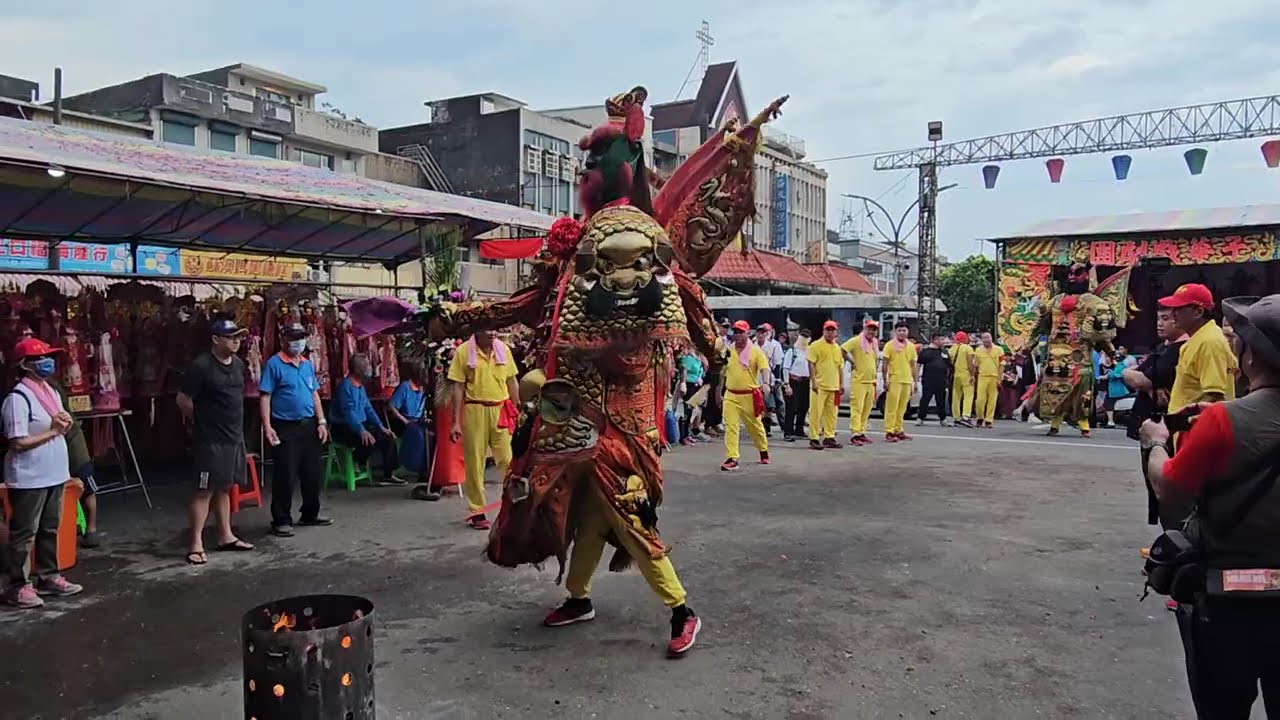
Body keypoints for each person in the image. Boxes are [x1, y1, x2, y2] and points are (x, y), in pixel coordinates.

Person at [1138, 293, 1280, 718]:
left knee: (1223, 706)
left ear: (1249, 356)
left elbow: (1171, 488)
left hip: (1232, 595)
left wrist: (1156, 445)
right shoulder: (1222, 416)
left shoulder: (1223, 420)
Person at [3, 337, 82, 608]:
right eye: (40, 359)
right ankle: (18, 585)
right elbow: (17, 441)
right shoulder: (18, 398)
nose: (47, 363)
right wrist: (52, 432)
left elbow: (59, 422)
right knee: (25, 533)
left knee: (50, 528)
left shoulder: (51, 391)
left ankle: (49, 576)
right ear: (26, 365)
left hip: (54, 473)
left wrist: (63, 424)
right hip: (29, 476)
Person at [176, 318, 255, 565]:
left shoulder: (239, 365)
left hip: (234, 436)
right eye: (231, 336)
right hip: (210, 440)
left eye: (239, 337)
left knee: (225, 487)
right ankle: (195, 544)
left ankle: (226, 535)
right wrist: (201, 422)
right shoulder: (201, 366)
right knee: (204, 491)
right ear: (216, 339)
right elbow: (183, 399)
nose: (237, 341)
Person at [259, 322, 331, 538]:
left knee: (312, 473)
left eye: (301, 338)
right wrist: (267, 425)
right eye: (293, 338)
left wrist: (321, 421)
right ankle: (281, 519)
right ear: (283, 340)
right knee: (285, 474)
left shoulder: (307, 364)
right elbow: (265, 396)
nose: (298, 342)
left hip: (309, 424)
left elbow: (314, 393)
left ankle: (310, 513)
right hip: (285, 426)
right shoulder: (274, 364)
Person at [1124, 307, 1189, 529]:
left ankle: (1173, 536)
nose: (1160, 324)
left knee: (1164, 482)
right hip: (1153, 422)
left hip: (1165, 425)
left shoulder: (1180, 349)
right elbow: (1136, 375)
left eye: (1166, 319)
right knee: (1155, 483)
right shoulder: (1164, 348)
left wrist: (1135, 376)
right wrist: (1133, 374)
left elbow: (1143, 378)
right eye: (1158, 318)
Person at [448, 330, 519, 530]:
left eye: (494, 329)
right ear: (477, 331)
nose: (492, 333)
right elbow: (458, 387)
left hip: (501, 410)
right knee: (475, 462)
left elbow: (511, 381)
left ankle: (514, 506)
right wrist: (455, 422)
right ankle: (477, 511)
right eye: (488, 329)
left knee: (507, 460)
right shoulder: (463, 352)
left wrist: (518, 409)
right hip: (475, 409)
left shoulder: (503, 349)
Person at [1163, 283, 1238, 422]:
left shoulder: (1210, 342)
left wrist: (1182, 422)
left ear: (1198, 312)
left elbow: (1213, 396)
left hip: (1195, 431)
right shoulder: (1198, 339)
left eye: (1179, 309)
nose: (1172, 314)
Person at [332, 353, 405, 487]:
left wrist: (380, 426)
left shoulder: (360, 387)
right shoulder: (345, 387)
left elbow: (368, 409)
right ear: (358, 369)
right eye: (367, 366)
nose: (370, 369)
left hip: (360, 424)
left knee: (387, 437)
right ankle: (357, 461)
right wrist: (361, 430)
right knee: (368, 439)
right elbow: (349, 413)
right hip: (343, 427)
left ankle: (388, 475)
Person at [51, 381, 99, 548]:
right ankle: (86, 528)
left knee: (83, 488)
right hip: (64, 445)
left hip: (68, 444)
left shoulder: (49, 389)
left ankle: (88, 529)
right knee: (81, 489)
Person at [721, 320, 770, 470]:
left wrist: (766, 383)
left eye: (741, 332)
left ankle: (763, 450)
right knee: (731, 426)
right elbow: (723, 372)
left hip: (749, 395)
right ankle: (732, 457)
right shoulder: (728, 351)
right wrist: (719, 391)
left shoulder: (755, 351)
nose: (737, 335)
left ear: (748, 334)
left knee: (755, 426)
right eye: (735, 332)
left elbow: (764, 368)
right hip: (731, 394)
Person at [389, 359, 437, 500]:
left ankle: (427, 469)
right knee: (421, 435)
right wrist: (405, 421)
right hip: (401, 420)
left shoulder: (422, 389)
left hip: (417, 420)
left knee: (432, 434)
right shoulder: (404, 387)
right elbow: (392, 407)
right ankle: (416, 466)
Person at [841, 318, 880, 446]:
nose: (871, 332)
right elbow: (842, 350)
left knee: (867, 409)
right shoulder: (857, 340)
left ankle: (862, 432)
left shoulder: (874, 343)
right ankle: (855, 433)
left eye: (874, 330)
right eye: (869, 329)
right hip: (859, 381)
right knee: (857, 408)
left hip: (871, 381)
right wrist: (852, 362)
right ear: (864, 329)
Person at [806, 321, 844, 450]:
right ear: (823, 331)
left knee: (831, 414)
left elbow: (839, 367)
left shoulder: (837, 347)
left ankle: (829, 436)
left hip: (833, 386)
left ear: (836, 332)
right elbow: (811, 364)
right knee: (816, 413)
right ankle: (814, 437)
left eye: (833, 330)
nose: (830, 333)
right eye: (828, 330)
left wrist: (841, 383)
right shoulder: (815, 345)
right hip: (820, 386)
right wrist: (814, 381)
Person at [881, 321, 918, 442]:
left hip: (906, 380)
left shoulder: (911, 346)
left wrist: (915, 382)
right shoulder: (890, 345)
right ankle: (889, 431)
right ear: (895, 332)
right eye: (899, 330)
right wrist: (885, 379)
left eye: (904, 330)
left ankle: (898, 429)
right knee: (892, 407)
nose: (902, 333)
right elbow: (885, 364)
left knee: (902, 407)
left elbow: (913, 365)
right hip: (894, 380)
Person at [781, 328, 811, 442]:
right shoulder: (792, 351)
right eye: (803, 336)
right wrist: (787, 384)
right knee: (792, 408)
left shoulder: (809, 351)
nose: (805, 339)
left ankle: (799, 430)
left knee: (804, 406)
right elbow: (785, 368)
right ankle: (788, 431)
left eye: (807, 337)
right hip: (794, 381)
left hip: (805, 381)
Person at [916, 332, 950, 426]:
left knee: (941, 400)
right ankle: (920, 418)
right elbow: (918, 365)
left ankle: (943, 418)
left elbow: (948, 365)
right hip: (928, 379)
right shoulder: (925, 351)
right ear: (935, 340)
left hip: (941, 380)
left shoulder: (944, 351)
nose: (943, 341)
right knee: (925, 399)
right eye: (941, 339)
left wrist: (947, 378)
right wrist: (915, 378)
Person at [755, 324, 783, 436]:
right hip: (755, 378)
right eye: (759, 332)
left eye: (763, 333)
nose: (761, 335)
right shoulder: (752, 346)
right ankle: (757, 427)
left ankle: (766, 428)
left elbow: (776, 364)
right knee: (756, 404)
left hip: (767, 378)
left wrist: (776, 380)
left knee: (767, 405)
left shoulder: (773, 346)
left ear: (767, 334)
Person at [973, 332, 1004, 429]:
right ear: (982, 340)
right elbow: (975, 365)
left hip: (994, 377)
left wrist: (1000, 378)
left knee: (992, 400)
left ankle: (989, 420)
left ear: (991, 338)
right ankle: (980, 417)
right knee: (980, 400)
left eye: (988, 337)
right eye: (984, 338)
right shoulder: (978, 350)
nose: (986, 340)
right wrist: (973, 376)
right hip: (982, 377)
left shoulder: (999, 349)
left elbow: (1002, 364)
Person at [1103, 345, 1137, 428]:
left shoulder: (1126, 361)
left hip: (1120, 385)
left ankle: (1110, 421)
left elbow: (1118, 373)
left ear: (1126, 349)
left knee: (1109, 401)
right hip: (1120, 385)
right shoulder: (1122, 361)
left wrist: (1108, 376)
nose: (1119, 351)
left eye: (1121, 349)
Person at [678, 347, 705, 445]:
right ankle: (682, 436)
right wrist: (683, 383)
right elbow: (684, 370)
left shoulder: (697, 357)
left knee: (692, 412)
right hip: (688, 385)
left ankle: (687, 434)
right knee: (686, 412)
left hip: (695, 385)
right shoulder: (688, 357)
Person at [949, 330, 975, 427]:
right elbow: (970, 364)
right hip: (966, 374)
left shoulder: (952, 349)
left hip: (956, 375)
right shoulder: (968, 348)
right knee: (968, 395)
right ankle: (965, 416)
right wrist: (972, 375)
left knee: (956, 396)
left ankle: (956, 417)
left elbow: (950, 362)